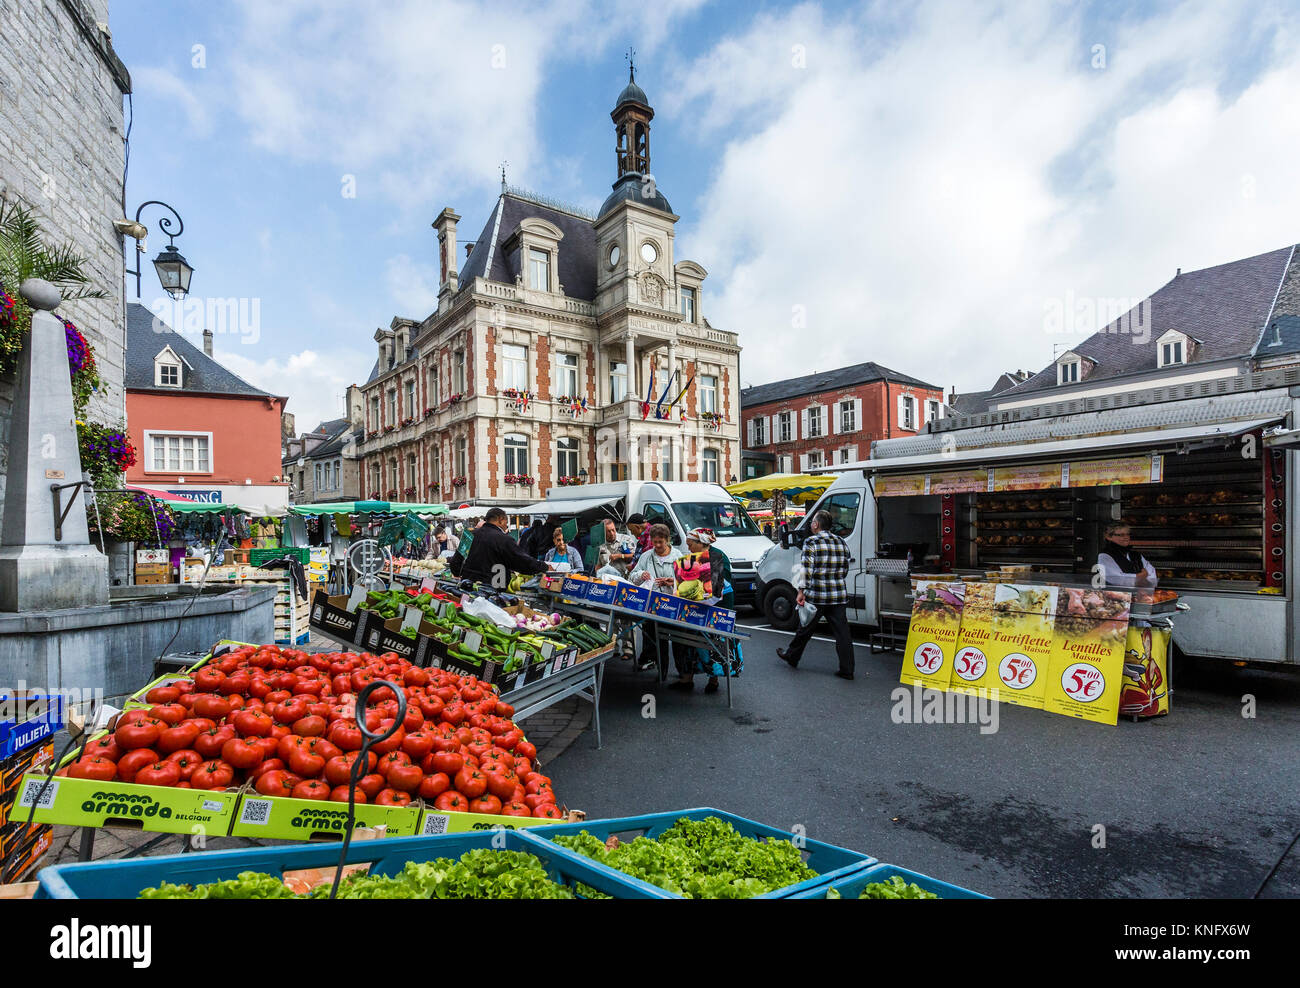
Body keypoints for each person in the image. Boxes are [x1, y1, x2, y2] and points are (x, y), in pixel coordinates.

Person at [777, 509, 856, 680]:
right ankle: (847, 669)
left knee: (805, 628)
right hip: (838, 595)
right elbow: (845, 568)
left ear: (816, 524)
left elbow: (806, 570)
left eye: (813, 521)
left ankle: (792, 656)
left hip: (817, 594)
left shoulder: (811, 542)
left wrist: (801, 591)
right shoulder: (841, 541)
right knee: (842, 633)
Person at [669, 528, 743, 693]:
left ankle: (713, 679)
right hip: (698, 602)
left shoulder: (718, 556)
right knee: (688, 637)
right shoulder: (692, 558)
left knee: (712, 641)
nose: (688, 548)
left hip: (718, 604)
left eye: (690, 544)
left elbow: (717, 591)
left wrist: (696, 598)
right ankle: (686, 678)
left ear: (700, 542)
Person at [630, 523, 683, 672]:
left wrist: (672, 582)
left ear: (668, 540)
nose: (658, 545)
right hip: (652, 606)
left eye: (661, 542)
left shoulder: (678, 556)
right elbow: (632, 576)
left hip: (673, 605)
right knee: (656, 638)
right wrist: (641, 575)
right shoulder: (647, 556)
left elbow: (687, 581)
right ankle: (661, 669)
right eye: (655, 542)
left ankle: (682, 670)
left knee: (678, 640)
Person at [459, 506, 549, 588]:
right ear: (500, 519)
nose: (506, 526)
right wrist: (543, 567)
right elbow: (521, 561)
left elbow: (456, 562)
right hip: (491, 589)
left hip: (467, 586)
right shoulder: (504, 539)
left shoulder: (469, 535)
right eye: (506, 522)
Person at [1097, 522, 1157, 588]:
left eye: (1128, 534)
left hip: (1140, 594)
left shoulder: (1135, 555)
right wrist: (1139, 577)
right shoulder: (1105, 556)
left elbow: (1152, 574)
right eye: (1121, 535)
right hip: (1116, 595)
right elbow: (1114, 578)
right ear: (1109, 537)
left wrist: (1141, 579)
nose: (1126, 537)